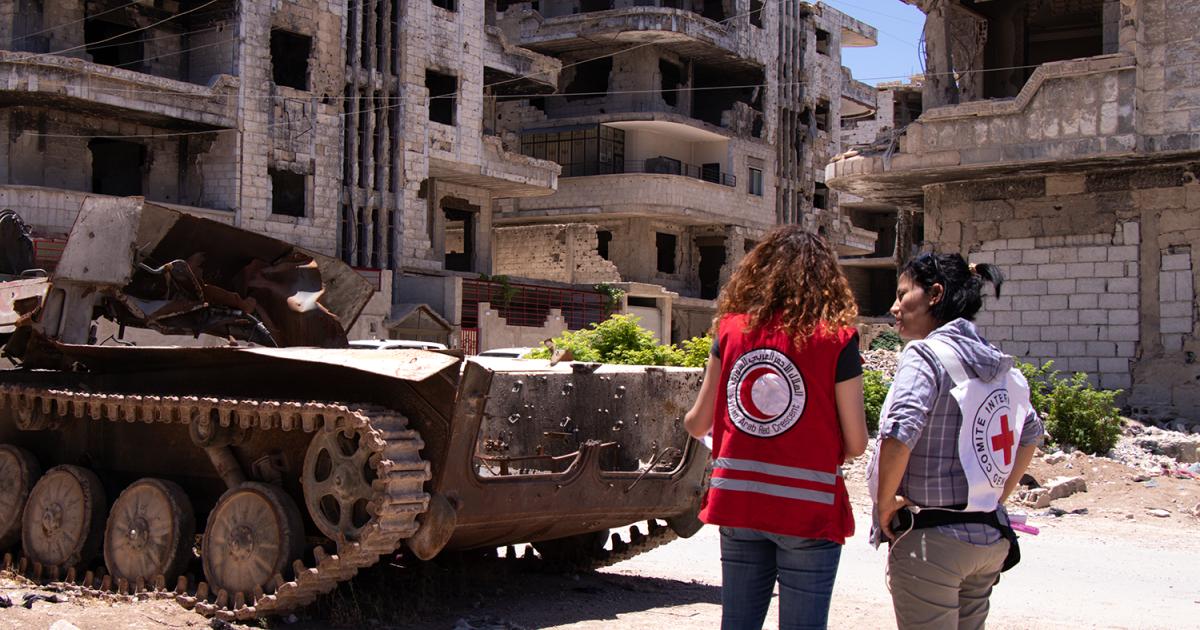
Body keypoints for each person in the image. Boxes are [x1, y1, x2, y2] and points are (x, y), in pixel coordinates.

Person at [684, 226, 868, 630]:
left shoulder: (730, 331)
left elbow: (696, 421)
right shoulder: (837, 339)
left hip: (738, 503)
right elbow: (856, 441)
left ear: (758, 272)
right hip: (807, 510)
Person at [869, 253, 1043, 630]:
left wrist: (884, 505)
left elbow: (900, 432)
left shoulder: (925, 356)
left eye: (902, 294)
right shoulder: (998, 364)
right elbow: (1031, 433)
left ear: (934, 294)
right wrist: (996, 498)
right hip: (989, 537)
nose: (894, 307)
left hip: (934, 543)